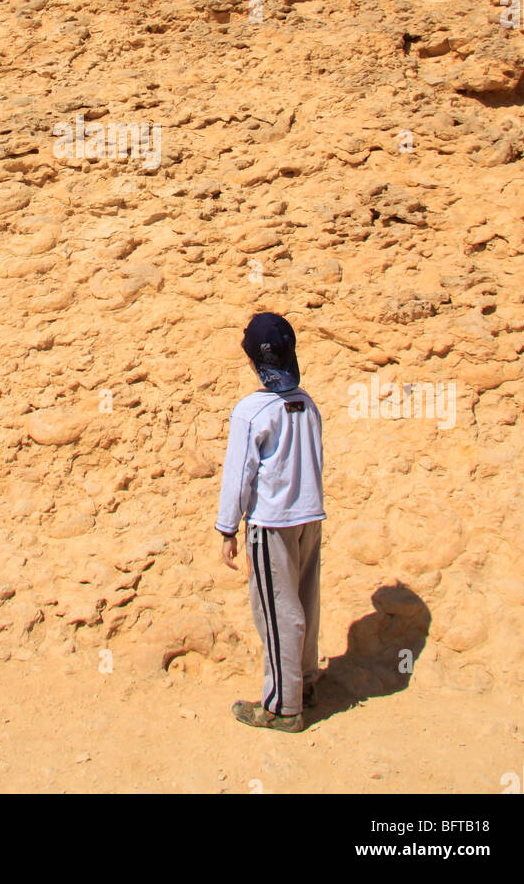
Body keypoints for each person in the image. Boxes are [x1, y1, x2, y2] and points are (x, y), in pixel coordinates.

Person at [215, 312, 325, 732]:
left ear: (253, 362)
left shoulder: (251, 411)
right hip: (309, 518)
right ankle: (305, 683)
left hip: (272, 523)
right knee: (305, 604)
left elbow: (238, 473)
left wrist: (228, 529)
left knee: (278, 614)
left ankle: (283, 708)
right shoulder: (307, 403)